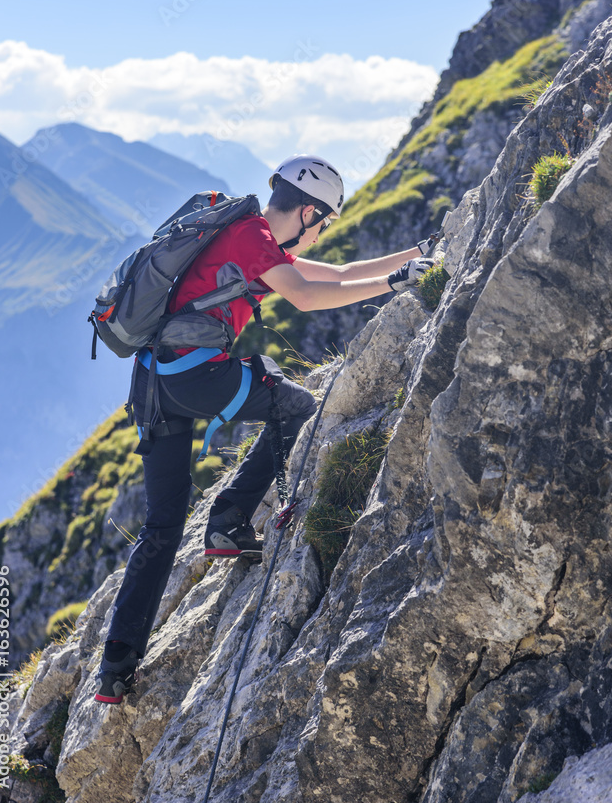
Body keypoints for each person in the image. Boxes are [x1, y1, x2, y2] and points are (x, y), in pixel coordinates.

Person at [94, 153, 431, 703]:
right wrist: (398, 283)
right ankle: (228, 519)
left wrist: (413, 258)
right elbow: (306, 295)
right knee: (295, 407)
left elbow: (342, 276)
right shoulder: (253, 238)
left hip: (155, 382)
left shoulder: (251, 238)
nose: (323, 232)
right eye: (325, 221)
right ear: (306, 211)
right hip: (193, 373)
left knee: (161, 528)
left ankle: (116, 667)